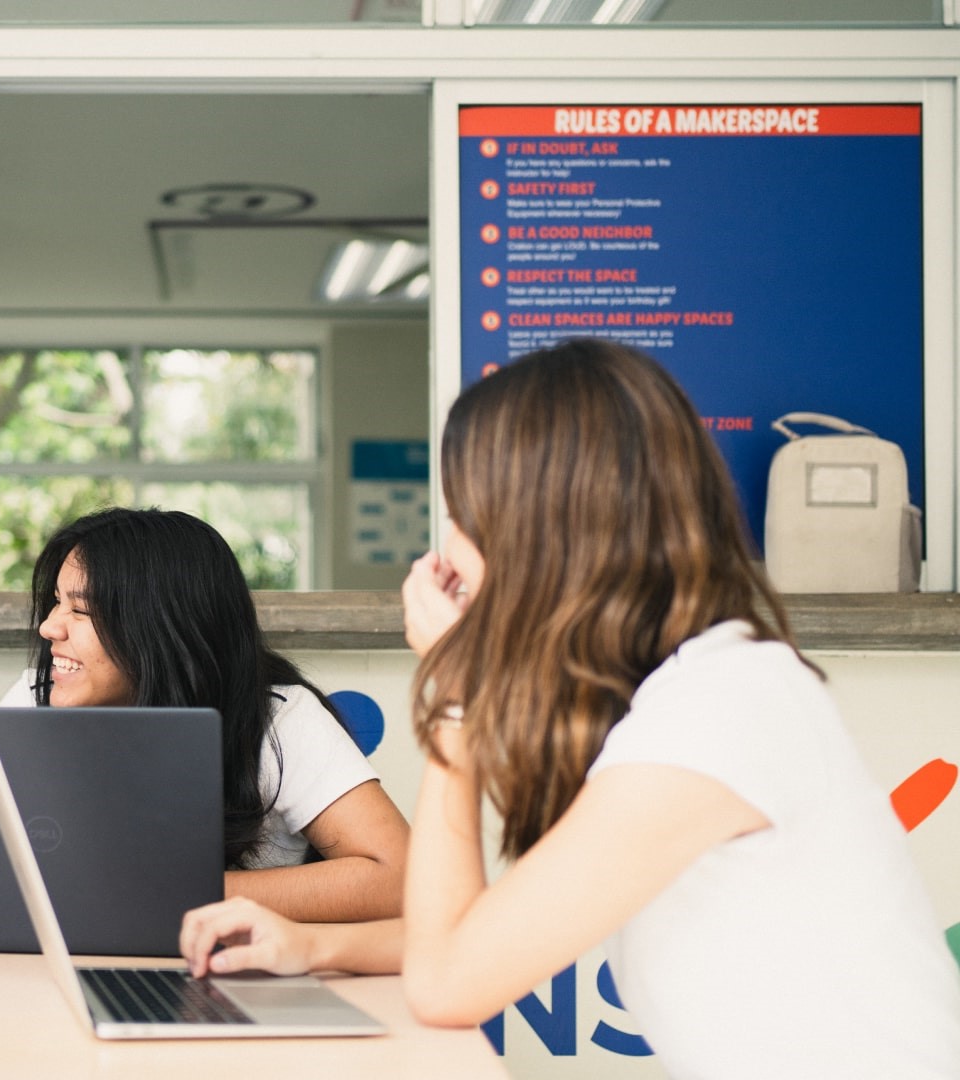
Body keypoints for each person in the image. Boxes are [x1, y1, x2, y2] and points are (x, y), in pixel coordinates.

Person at [179, 339, 960, 1078]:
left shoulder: (716, 714)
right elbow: (476, 937)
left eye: (463, 519)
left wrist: (455, 696)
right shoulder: (682, 697)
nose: (447, 556)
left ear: (536, 533)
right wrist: (309, 947)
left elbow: (449, 983)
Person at [0, 506, 410, 923]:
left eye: (81, 610)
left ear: (163, 627)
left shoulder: (280, 721)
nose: (49, 627)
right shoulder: (31, 703)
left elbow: (400, 879)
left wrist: (173, 897)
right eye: (56, 602)